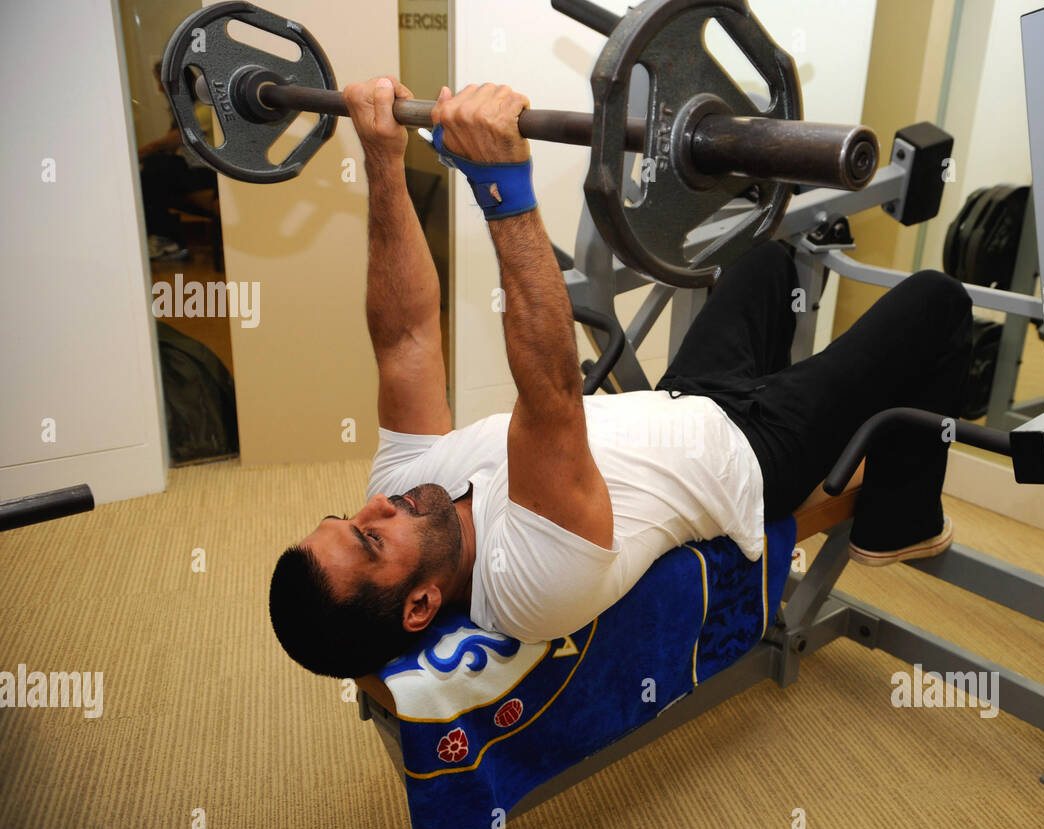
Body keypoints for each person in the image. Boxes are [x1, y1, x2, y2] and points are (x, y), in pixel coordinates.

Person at [268, 79, 973, 679]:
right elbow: (550, 396)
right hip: (754, 456)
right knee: (937, 301)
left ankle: (827, 400)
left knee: (767, 260)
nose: (375, 506)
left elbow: (406, 340)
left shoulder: (403, 492)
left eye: (348, 517)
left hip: (684, 395)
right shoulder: (526, 588)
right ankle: (900, 520)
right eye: (370, 540)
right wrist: (500, 185)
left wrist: (383, 157)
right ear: (421, 604)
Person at [138, 60, 217, 260]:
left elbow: (172, 140)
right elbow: (169, 146)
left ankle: (165, 240)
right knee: (154, 169)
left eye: (161, 83)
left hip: (207, 174)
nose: (159, 89)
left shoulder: (202, 109)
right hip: (193, 172)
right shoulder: (187, 110)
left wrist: (138, 152)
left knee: (154, 167)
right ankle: (164, 238)